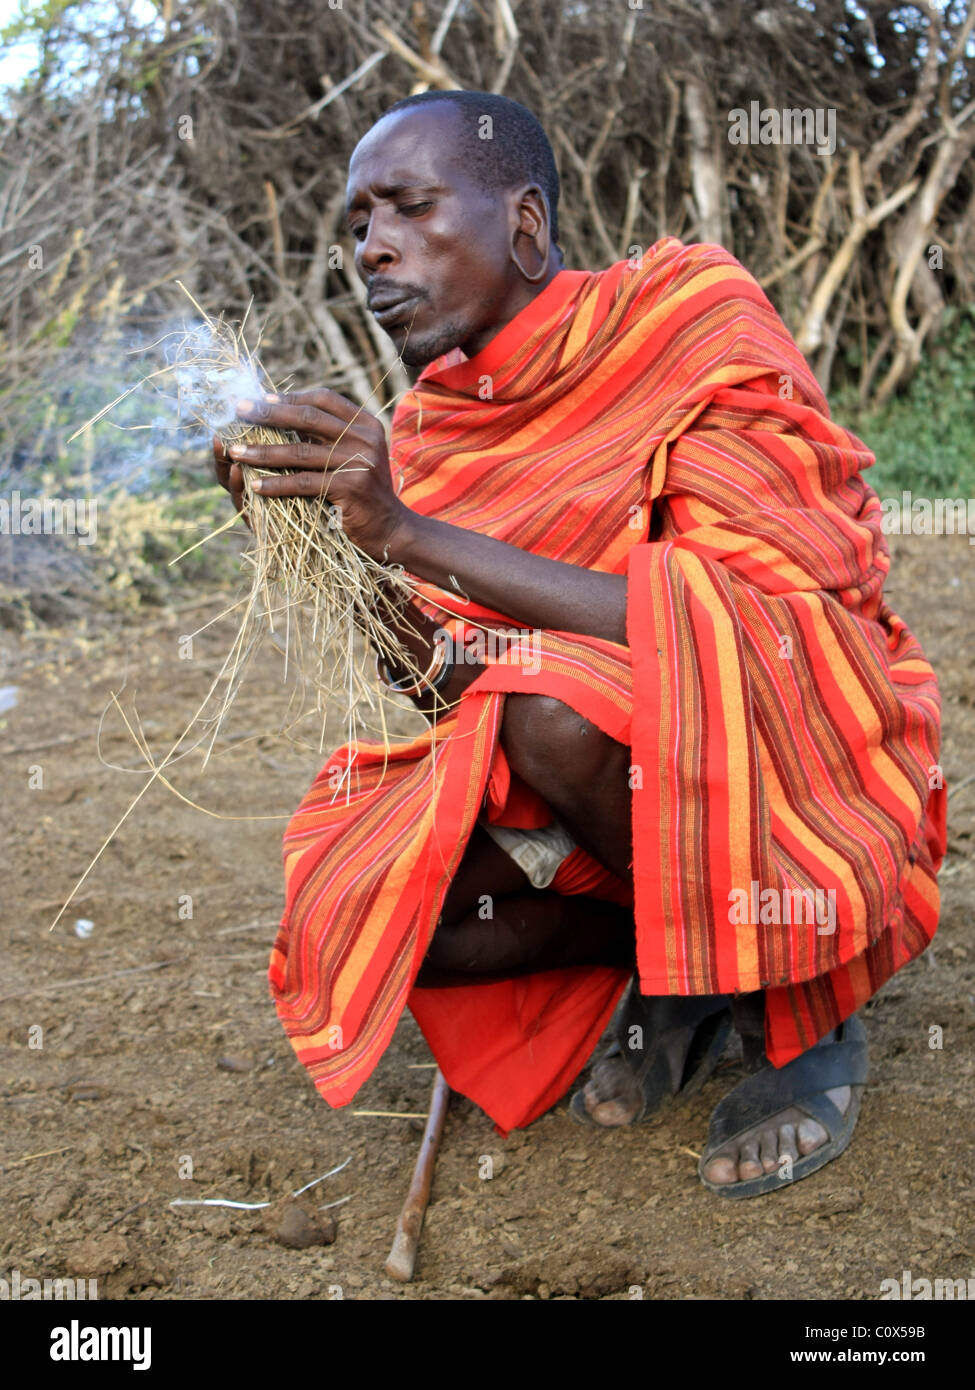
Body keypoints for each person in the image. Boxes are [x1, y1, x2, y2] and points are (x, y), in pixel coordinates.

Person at [213, 91, 945, 1197]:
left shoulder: (686, 311)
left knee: (553, 702)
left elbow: (771, 609)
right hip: (626, 786)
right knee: (384, 909)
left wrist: (412, 532)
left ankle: (802, 1013)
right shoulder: (430, 430)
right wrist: (342, 550)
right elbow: (445, 684)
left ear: (524, 224)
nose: (372, 247)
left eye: (408, 208)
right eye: (359, 222)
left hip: (798, 744)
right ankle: (676, 961)